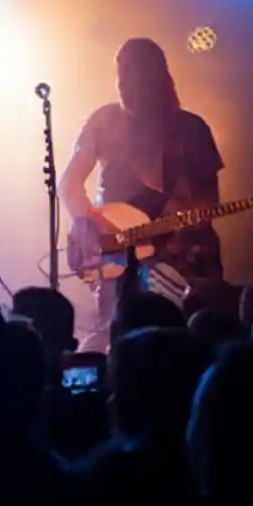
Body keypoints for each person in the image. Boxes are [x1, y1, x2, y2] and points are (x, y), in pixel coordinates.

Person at [58, 38, 224, 348]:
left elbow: (210, 202)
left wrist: (182, 217)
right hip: (119, 259)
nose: (123, 81)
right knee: (116, 335)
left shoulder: (191, 128)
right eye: (120, 70)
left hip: (181, 259)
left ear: (157, 75)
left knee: (182, 341)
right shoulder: (102, 121)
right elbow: (69, 184)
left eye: (132, 71)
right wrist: (87, 222)